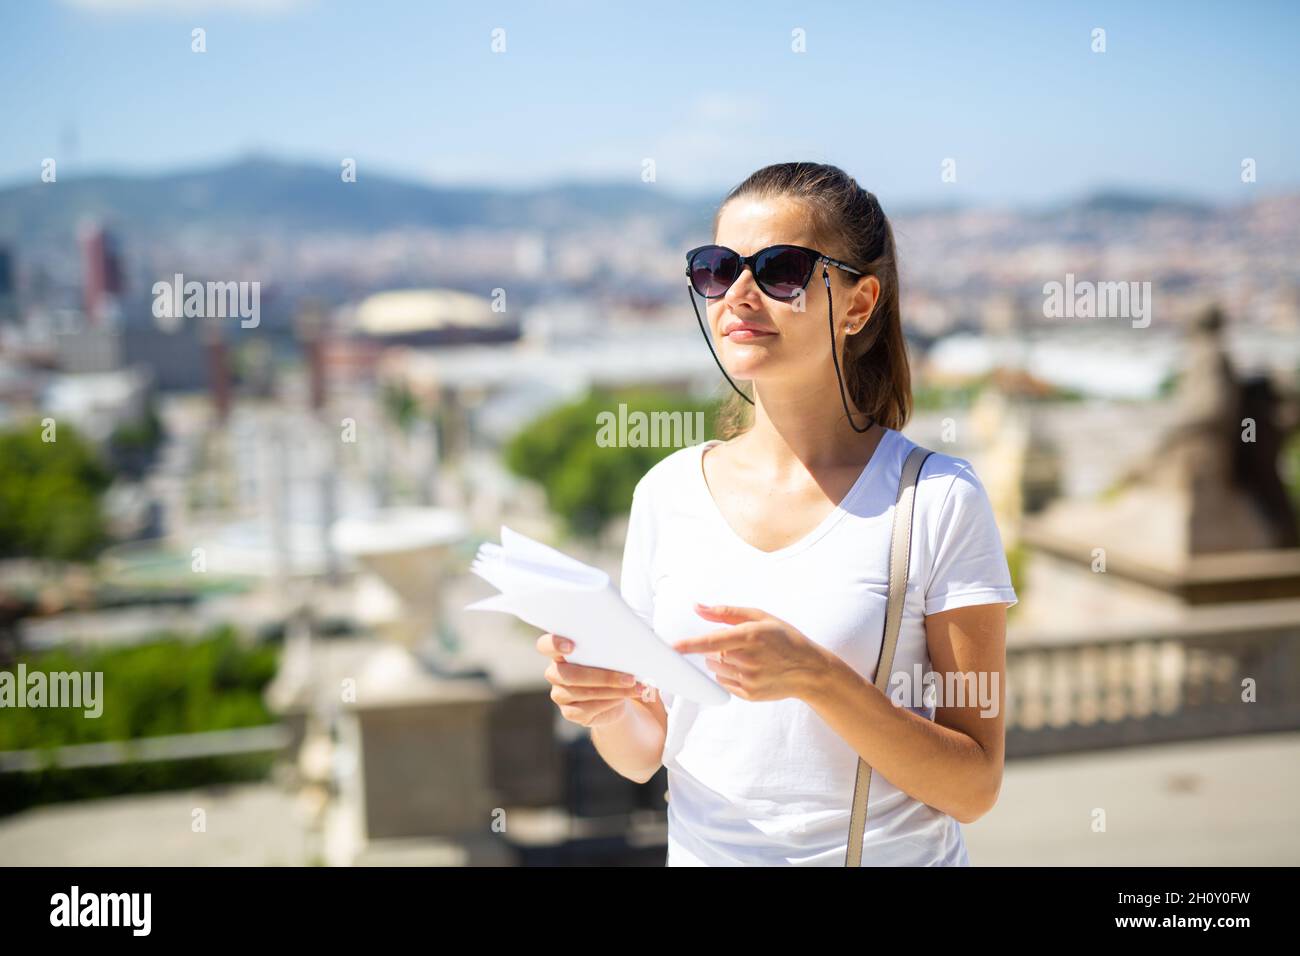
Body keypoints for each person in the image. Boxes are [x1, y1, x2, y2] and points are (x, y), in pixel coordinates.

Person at [535, 161, 1017, 866]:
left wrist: (817, 678)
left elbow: (973, 786)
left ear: (859, 305)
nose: (738, 293)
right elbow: (645, 754)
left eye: (780, 268)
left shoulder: (936, 499)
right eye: (716, 268)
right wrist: (603, 702)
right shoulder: (666, 495)